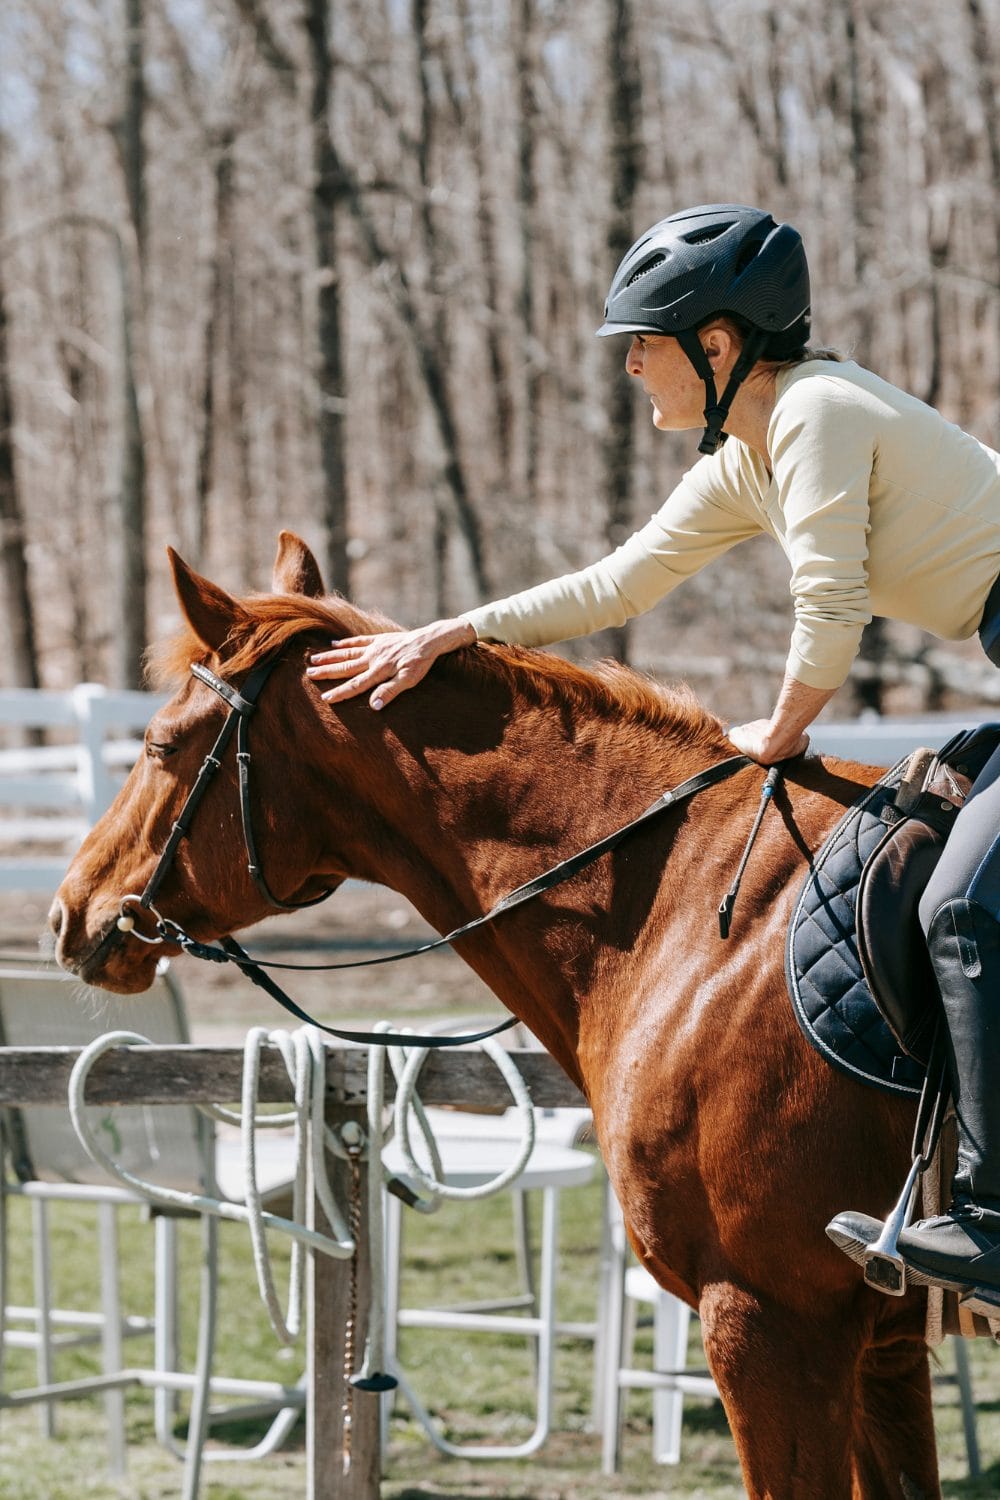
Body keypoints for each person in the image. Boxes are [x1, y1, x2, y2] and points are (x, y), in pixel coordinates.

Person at [306, 202, 1000, 1296]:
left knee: (959, 899)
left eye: (645, 341)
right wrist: (454, 630)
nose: (632, 365)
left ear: (717, 346)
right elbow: (616, 585)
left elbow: (831, 600)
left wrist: (777, 731)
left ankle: (993, 1218)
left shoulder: (817, 410)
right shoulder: (748, 456)